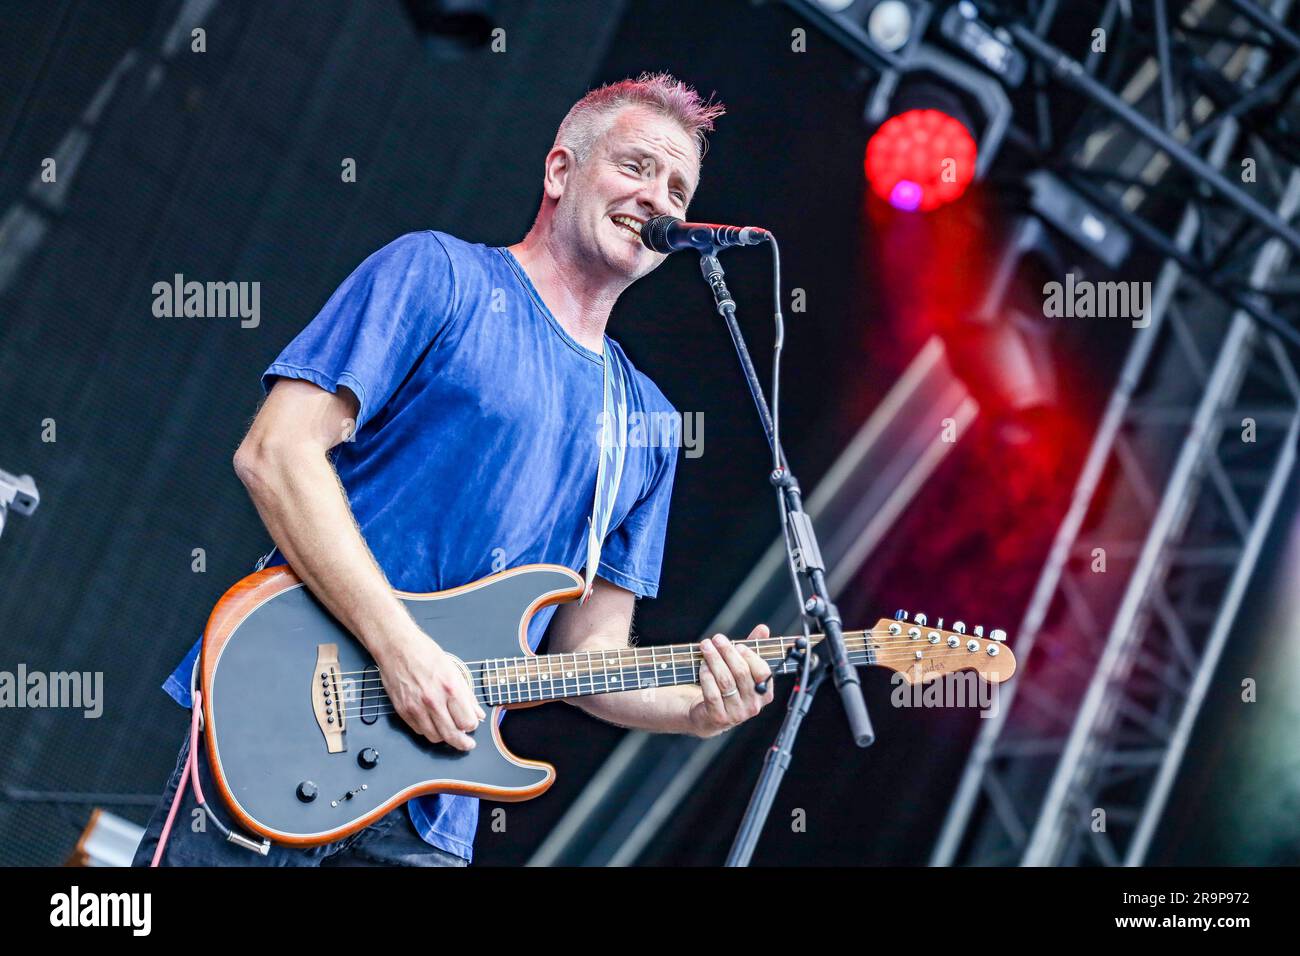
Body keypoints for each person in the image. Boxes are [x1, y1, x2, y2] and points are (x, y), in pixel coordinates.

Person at [132, 71, 775, 868]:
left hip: (435, 808)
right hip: (286, 725)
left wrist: (695, 711)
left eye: (679, 187)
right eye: (637, 166)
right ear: (560, 171)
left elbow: (584, 657)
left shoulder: (646, 420)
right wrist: (400, 649)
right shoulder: (437, 275)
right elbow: (276, 452)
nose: (661, 201)